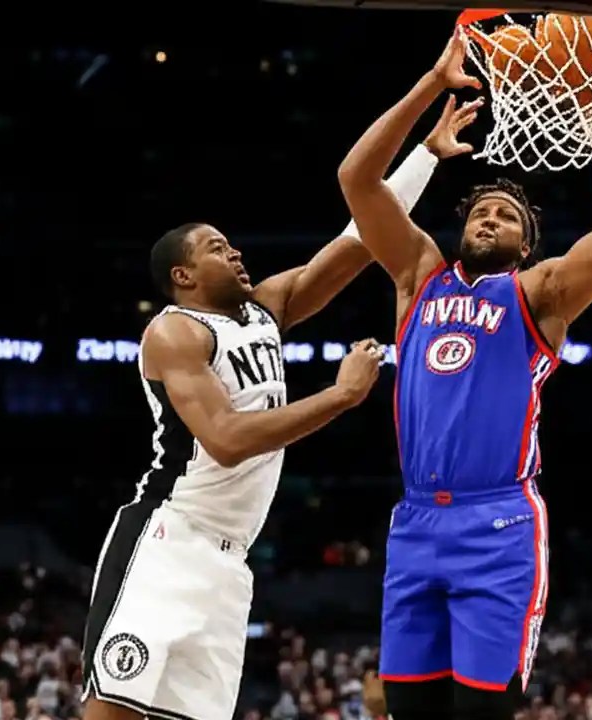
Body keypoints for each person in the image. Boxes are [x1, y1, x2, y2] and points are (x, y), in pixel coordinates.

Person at [79, 98, 481, 720]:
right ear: (183, 276)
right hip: (166, 539)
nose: (236, 253)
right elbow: (227, 438)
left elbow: (359, 239)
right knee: (115, 712)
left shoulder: (267, 310)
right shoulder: (175, 332)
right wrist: (342, 395)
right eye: (217, 249)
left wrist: (426, 154)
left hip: (229, 562)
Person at [337, 28, 592, 720]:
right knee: (406, 711)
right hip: (415, 520)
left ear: (526, 244)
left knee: (480, 714)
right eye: (480, 211)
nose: (490, 218)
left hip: (498, 522)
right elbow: (356, 180)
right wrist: (431, 85)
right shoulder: (418, 277)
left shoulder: (540, 294)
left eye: (505, 216)